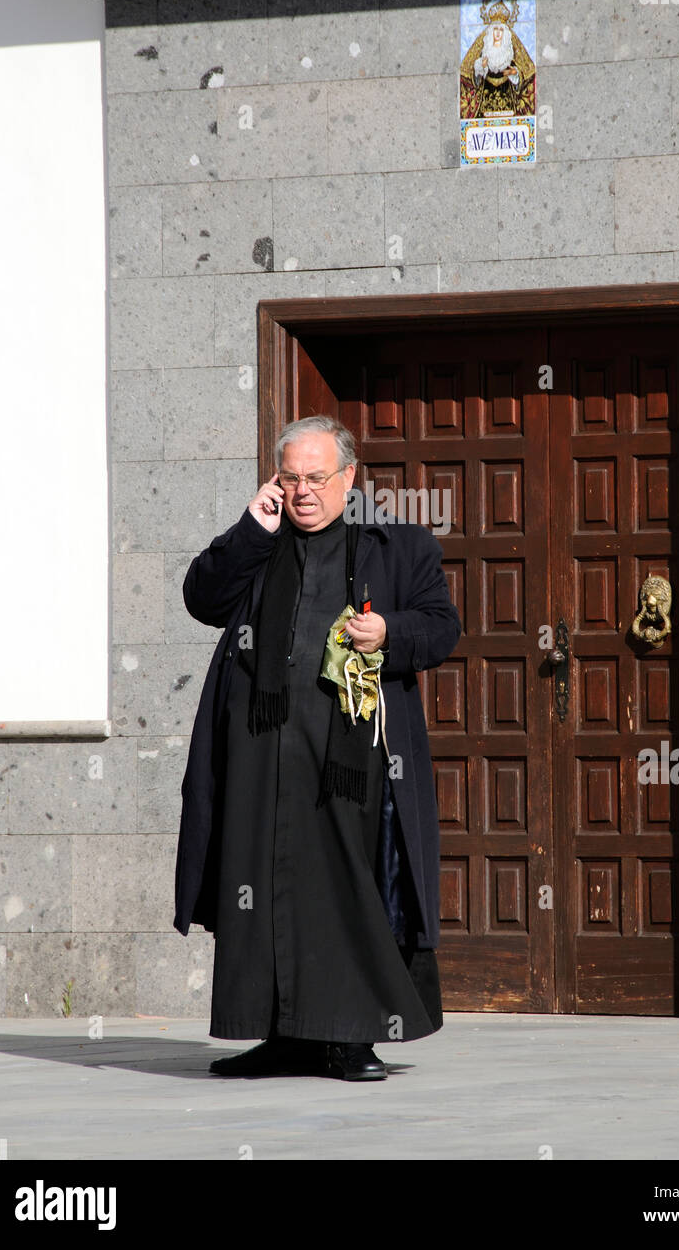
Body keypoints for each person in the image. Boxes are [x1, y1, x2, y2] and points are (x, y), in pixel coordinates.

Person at [174, 414, 462, 1080]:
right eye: (290, 478)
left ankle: (350, 1036)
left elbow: (441, 629)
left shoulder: (398, 545)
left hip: (353, 759)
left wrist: (387, 630)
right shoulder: (260, 542)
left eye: (316, 478)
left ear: (349, 477)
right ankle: (278, 1035)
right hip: (257, 756)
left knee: (347, 889)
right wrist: (251, 529)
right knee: (261, 887)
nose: (303, 491)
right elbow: (202, 598)